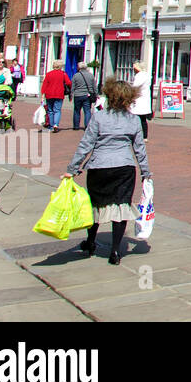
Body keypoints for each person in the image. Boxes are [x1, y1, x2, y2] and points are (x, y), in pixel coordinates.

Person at [63, 79, 151, 265]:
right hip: (124, 168)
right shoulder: (134, 120)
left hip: (99, 167)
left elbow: (86, 144)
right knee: (121, 207)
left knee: (95, 205)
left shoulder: (98, 117)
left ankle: (91, 241)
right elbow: (139, 149)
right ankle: (115, 251)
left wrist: (72, 169)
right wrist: (145, 173)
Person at [67, 61, 97, 134]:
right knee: (87, 111)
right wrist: (96, 94)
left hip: (78, 95)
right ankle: (87, 125)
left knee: (77, 110)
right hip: (87, 95)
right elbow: (94, 86)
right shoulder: (91, 75)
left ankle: (76, 126)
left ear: (79, 67)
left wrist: (71, 95)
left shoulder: (76, 75)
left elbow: (73, 87)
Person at [129, 62, 153, 141]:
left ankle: (136, 134)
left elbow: (135, 86)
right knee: (143, 119)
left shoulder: (140, 76)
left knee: (136, 118)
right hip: (144, 99)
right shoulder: (147, 75)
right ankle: (144, 136)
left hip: (139, 99)